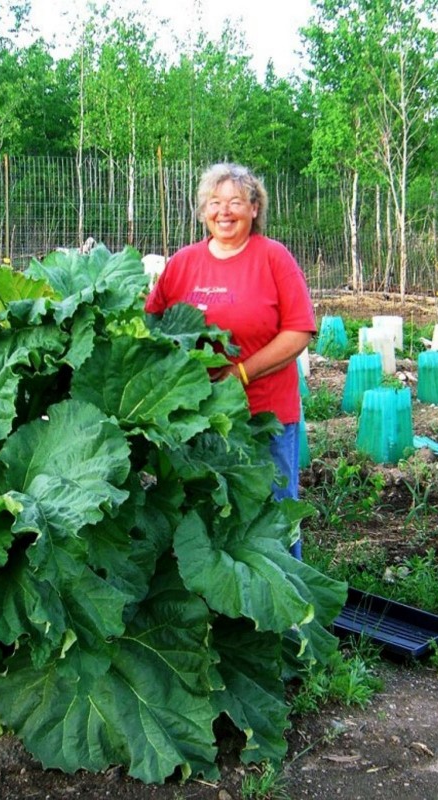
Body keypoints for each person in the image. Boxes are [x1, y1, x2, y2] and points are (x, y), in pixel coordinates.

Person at [144, 162, 315, 558]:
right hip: (196, 415)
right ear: (203, 211)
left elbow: (298, 331)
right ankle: (220, 613)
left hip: (263, 415)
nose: (224, 211)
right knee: (202, 516)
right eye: (214, 202)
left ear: (254, 208)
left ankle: (286, 610)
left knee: (273, 514)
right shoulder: (183, 262)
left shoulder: (274, 258)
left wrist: (240, 374)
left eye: (236, 202)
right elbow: (152, 326)